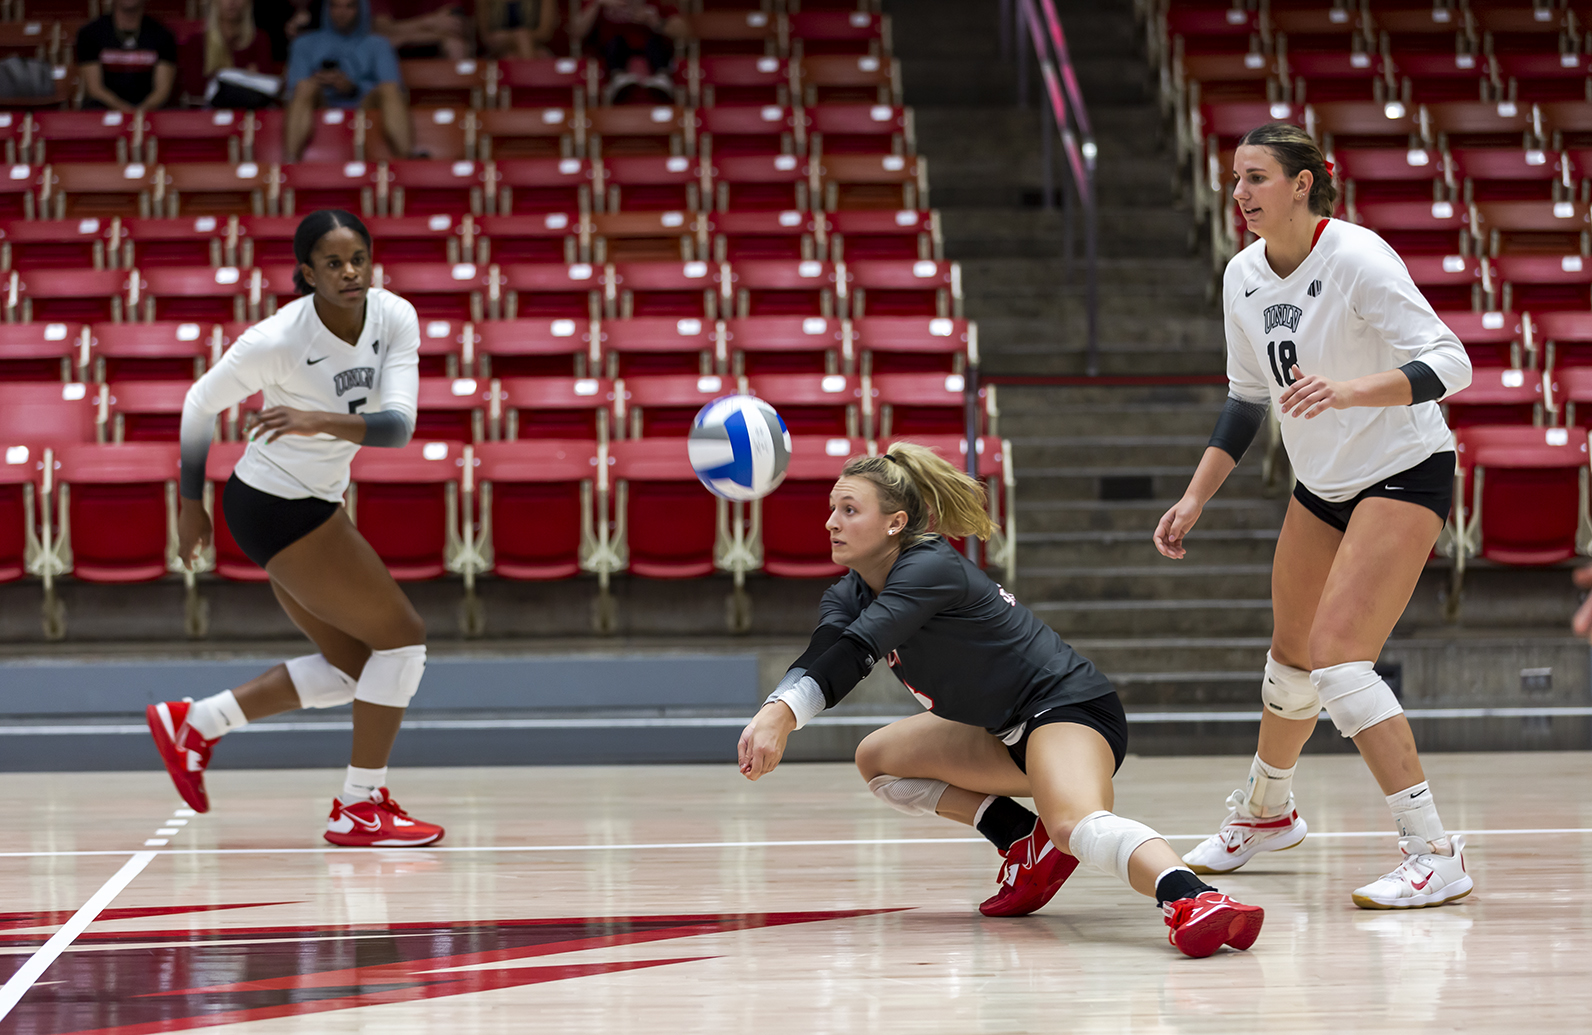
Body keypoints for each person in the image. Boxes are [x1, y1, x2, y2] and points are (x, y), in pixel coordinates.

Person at [737, 444, 1265, 958]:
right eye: (832, 508)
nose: (831, 521)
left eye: (849, 510)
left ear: (895, 524)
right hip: (1002, 730)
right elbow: (827, 650)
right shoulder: (848, 593)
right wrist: (773, 710)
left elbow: (857, 651)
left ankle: (1193, 897)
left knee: (1073, 823)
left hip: (1067, 710)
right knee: (878, 761)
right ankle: (1019, 839)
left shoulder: (928, 567)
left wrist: (782, 718)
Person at [1156, 123, 1475, 909]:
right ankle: (1267, 811)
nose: (1241, 194)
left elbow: (1452, 362)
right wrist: (1196, 494)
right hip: (1323, 483)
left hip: (1404, 470)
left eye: (1257, 177)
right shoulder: (1242, 275)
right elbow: (1245, 398)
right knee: (1291, 658)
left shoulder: (1359, 258)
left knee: (1338, 658)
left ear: (1303, 184)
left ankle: (1434, 850)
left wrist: (1349, 388)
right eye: (1236, 178)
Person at [148, 209, 443, 849]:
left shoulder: (395, 317)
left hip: (311, 500)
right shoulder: (277, 339)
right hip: (276, 505)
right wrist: (189, 502)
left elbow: (397, 428)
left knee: (355, 670)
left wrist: (316, 421)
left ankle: (197, 721)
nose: (350, 272)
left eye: (359, 258)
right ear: (307, 273)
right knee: (404, 642)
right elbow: (200, 405)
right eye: (333, 263)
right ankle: (359, 806)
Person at [284, 0, 413, 162]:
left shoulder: (379, 44)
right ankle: (290, 162)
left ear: (360, 8)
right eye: (334, 6)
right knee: (304, 86)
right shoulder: (304, 44)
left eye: (349, 6)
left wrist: (352, 87)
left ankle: (407, 158)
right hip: (321, 103)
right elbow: (291, 91)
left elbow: (394, 86)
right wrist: (319, 81)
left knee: (389, 89)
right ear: (326, 8)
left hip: (363, 104)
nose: (341, 12)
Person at [74, 0, 178, 113]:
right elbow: (95, 88)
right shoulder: (89, 34)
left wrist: (139, 112)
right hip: (104, 110)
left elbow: (162, 90)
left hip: (150, 111)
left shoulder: (163, 35)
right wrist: (125, 110)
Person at [573, 0, 684, 101]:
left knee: (655, 44)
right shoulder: (601, 3)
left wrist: (657, 23)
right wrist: (596, 5)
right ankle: (618, 77)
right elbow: (576, 32)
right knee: (615, 43)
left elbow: (684, 32)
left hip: (652, 57)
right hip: (611, 61)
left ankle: (662, 77)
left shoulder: (656, 4)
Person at [182, 0, 280, 105]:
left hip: (250, 111)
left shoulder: (260, 39)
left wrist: (217, 76)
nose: (232, 2)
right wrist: (245, 76)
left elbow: (266, 84)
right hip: (207, 112)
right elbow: (195, 87)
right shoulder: (197, 42)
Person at [370, 0, 472, 60]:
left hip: (433, 45)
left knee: (456, 46)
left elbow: (454, 28)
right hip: (394, 48)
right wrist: (429, 21)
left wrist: (406, 36)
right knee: (381, 44)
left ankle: (456, 95)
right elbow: (382, 30)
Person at [478, 0, 557, 59]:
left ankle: (525, 76)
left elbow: (545, 33)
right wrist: (514, 37)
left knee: (512, 56)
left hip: (533, 44)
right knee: (515, 52)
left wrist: (520, 35)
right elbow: (486, 37)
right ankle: (530, 77)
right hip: (498, 47)